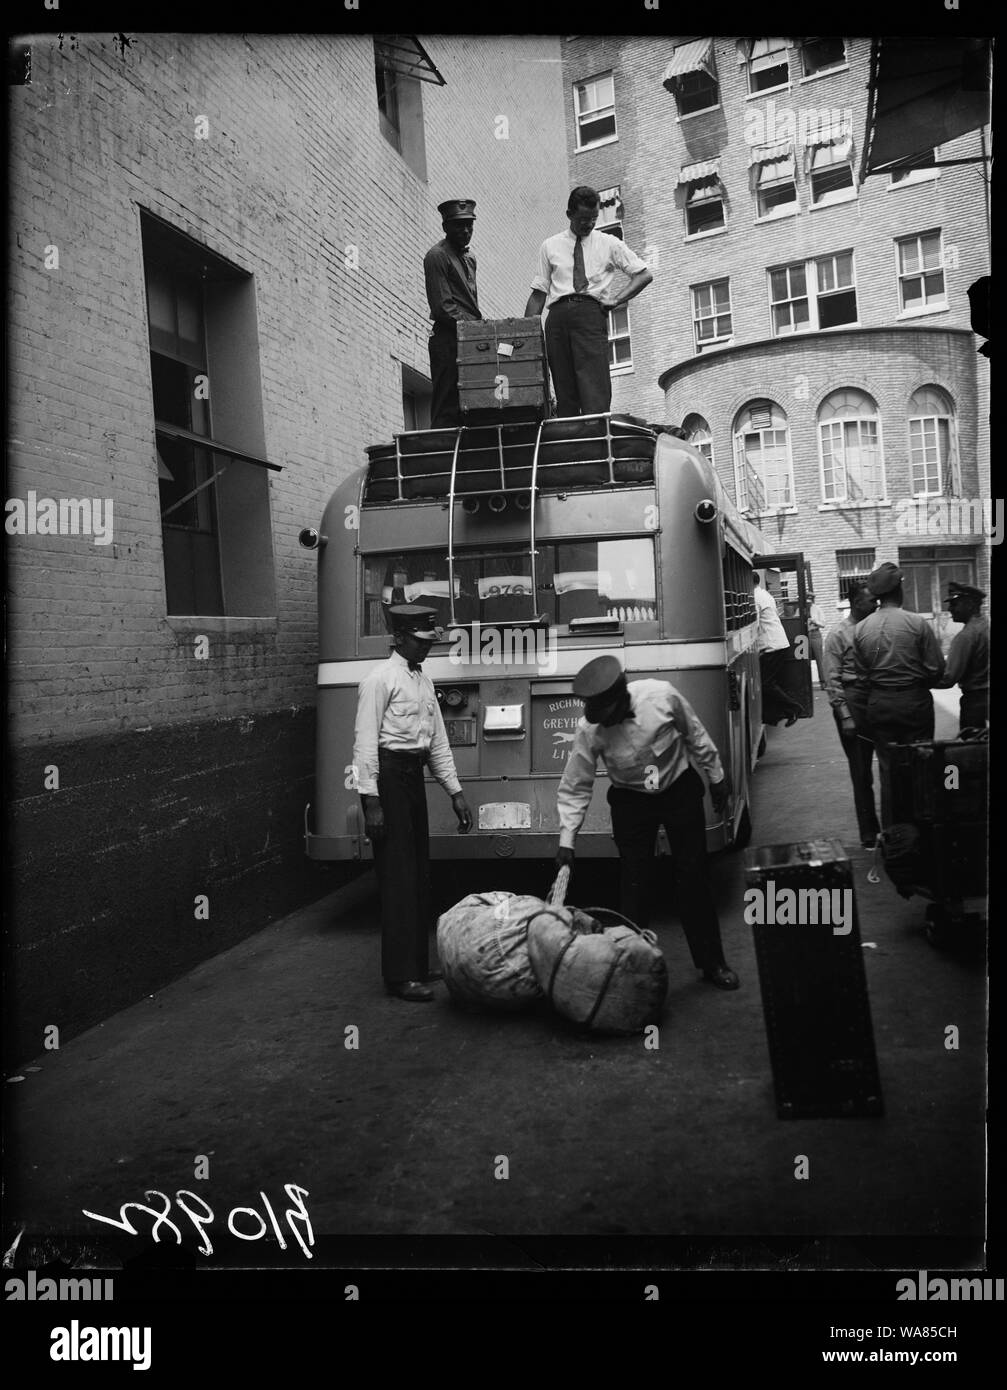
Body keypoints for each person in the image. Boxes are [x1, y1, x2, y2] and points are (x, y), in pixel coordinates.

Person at [553, 655, 739, 990]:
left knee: (693, 877)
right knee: (634, 885)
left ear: (621, 699)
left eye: (606, 714)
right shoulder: (590, 729)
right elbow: (576, 783)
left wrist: (717, 778)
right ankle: (632, 975)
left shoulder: (661, 696)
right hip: (631, 801)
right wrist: (567, 840)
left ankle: (713, 963)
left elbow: (695, 734)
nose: (602, 722)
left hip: (677, 789)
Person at [352, 604, 473, 1000]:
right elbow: (365, 746)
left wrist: (455, 793)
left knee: (418, 872)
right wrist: (372, 803)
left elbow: (436, 743)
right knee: (398, 877)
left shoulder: (422, 681)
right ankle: (400, 976)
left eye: (429, 642)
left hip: (412, 778)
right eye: (421, 642)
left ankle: (417, 965)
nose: (427, 648)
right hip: (387, 779)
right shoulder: (379, 681)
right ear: (400, 638)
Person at [524, 186, 652, 417]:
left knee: (595, 392)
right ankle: (573, 448)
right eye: (583, 219)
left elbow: (644, 274)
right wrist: (524, 336)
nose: (589, 224)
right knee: (565, 392)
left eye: (593, 218)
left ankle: (598, 443)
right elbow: (539, 294)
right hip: (558, 321)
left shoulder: (609, 243)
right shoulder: (550, 246)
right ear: (569, 214)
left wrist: (616, 299)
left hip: (590, 316)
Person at [851, 561, 945, 827]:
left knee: (889, 771)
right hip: (914, 703)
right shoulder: (917, 623)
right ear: (899, 589)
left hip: (880, 704)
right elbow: (936, 668)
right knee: (921, 765)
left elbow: (861, 675)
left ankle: (894, 837)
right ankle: (923, 833)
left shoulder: (861, 629)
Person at [822, 582, 881, 848]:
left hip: (878, 699)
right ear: (857, 602)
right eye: (871, 601)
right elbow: (832, 679)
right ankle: (869, 833)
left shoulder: (876, 627)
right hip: (853, 700)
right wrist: (844, 715)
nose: (876, 605)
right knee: (861, 772)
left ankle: (894, 830)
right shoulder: (838, 634)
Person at [423, 198, 481, 428]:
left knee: (471, 404)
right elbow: (443, 307)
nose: (466, 230)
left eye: (469, 225)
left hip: (468, 337)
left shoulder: (470, 259)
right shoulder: (436, 256)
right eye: (459, 225)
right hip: (449, 339)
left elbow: (470, 303)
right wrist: (475, 330)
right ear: (445, 226)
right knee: (447, 406)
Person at [935, 582, 989, 730]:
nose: (950, 609)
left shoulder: (966, 636)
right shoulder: (986, 626)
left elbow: (948, 678)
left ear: (970, 605)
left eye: (954, 604)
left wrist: (920, 681)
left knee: (972, 748)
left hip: (975, 702)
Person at [752, 571, 803, 727]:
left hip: (771, 645)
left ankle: (794, 708)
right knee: (769, 683)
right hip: (777, 642)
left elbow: (755, 623)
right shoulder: (765, 594)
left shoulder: (755, 597)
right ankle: (772, 717)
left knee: (766, 684)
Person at [807, 590, 827, 690]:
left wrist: (815, 621)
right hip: (805, 635)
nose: (808, 601)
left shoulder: (817, 609)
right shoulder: (801, 609)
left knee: (820, 659)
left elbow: (823, 624)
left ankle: (823, 682)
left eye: (810, 599)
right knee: (806, 660)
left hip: (815, 634)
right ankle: (807, 683)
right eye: (807, 598)